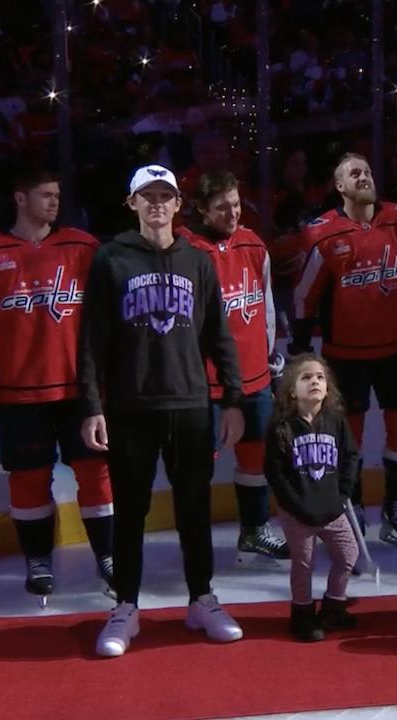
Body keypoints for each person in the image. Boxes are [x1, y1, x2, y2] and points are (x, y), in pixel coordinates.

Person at [79, 165, 246, 657]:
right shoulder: (110, 260)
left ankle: (202, 599)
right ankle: (126, 607)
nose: (156, 203)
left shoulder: (198, 260)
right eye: (146, 196)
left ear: (178, 205)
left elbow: (220, 335)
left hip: (191, 404)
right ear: (131, 204)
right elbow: (91, 343)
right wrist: (92, 406)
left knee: (195, 511)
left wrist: (232, 400)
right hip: (130, 406)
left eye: (165, 196)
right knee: (130, 513)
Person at [0, 168, 113, 603]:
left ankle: (109, 557)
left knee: (97, 474)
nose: (54, 202)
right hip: (18, 393)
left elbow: (107, 313)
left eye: (58, 195)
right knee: (28, 480)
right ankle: (38, 559)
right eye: (45, 195)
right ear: (20, 198)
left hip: (82, 392)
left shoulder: (82, 246)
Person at [291, 154, 397, 550]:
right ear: (339, 186)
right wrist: (301, 351)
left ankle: (395, 509)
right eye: (354, 173)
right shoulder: (321, 233)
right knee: (348, 436)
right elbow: (304, 296)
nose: (365, 176)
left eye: (368, 171)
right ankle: (352, 507)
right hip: (345, 354)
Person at [178, 171, 290, 562]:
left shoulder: (253, 245)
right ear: (202, 209)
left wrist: (269, 353)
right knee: (197, 469)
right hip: (203, 384)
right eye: (223, 206)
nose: (233, 212)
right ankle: (196, 542)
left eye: (237, 204)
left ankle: (255, 529)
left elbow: (266, 305)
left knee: (255, 454)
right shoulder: (185, 250)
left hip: (254, 377)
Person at [264, 354, 361, 642]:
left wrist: (342, 493)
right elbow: (275, 472)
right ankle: (302, 615)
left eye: (319, 377)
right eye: (306, 378)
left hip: (332, 508)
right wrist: (294, 504)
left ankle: (333, 606)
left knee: (348, 554)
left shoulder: (336, 422)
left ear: (328, 387)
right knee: (304, 563)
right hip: (298, 511)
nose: (314, 381)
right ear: (292, 390)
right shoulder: (282, 426)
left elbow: (351, 457)